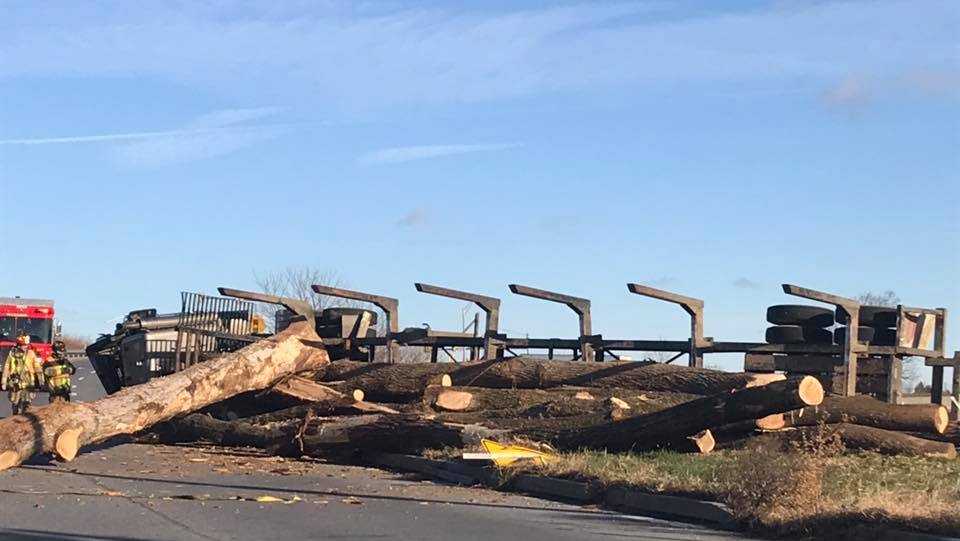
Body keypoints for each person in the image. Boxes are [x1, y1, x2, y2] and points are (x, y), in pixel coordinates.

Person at [1, 334, 45, 414]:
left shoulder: (31, 353)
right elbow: (6, 367)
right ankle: (14, 419)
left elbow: (37, 368)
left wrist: (41, 380)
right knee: (15, 403)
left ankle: (25, 419)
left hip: (28, 383)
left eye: (26, 345)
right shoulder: (12, 354)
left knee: (26, 404)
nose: (25, 347)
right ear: (19, 345)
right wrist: (4, 382)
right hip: (15, 383)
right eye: (23, 345)